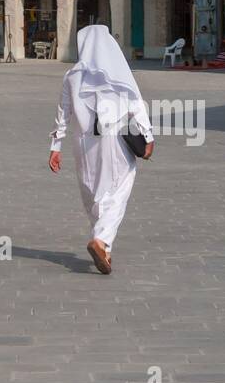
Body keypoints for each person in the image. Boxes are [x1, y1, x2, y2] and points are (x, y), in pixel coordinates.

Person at [48, 24, 154, 274]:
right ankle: (101, 240)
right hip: (115, 140)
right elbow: (137, 106)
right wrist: (148, 137)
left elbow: (63, 112)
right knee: (118, 189)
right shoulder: (119, 72)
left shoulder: (72, 76)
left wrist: (56, 146)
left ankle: (105, 247)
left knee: (93, 192)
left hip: (84, 143)